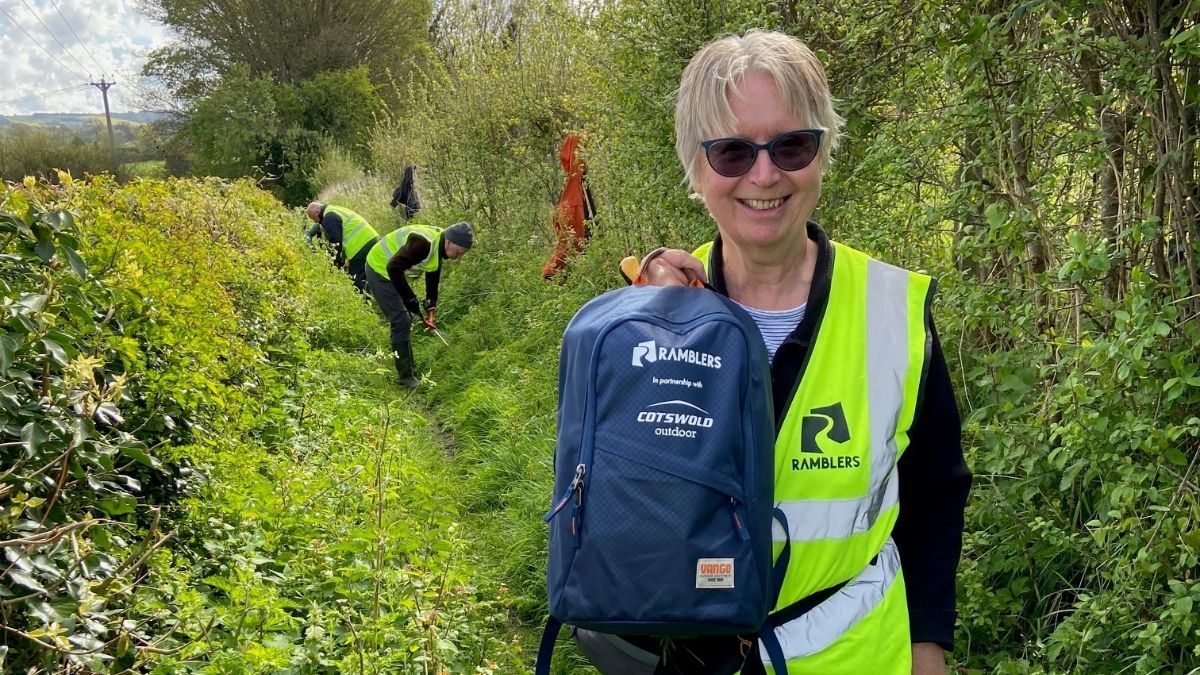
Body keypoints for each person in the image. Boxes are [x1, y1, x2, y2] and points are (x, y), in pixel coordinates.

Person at [574, 30, 971, 674]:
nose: (765, 174)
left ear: (822, 153)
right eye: (732, 152)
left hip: (855, 655)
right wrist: (646, 321)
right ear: (696, 168)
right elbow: (621, 513)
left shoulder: (894, 311)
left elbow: (933, 495)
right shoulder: (651, 317)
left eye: (791, 145)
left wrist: (927, 648)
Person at [363, 221, 473, 388]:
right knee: (401, 321)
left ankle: (410, 369)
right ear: (449, 242)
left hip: (391, 271)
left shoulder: (440, 243)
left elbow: (433, 273)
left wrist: (431, 307)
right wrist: (410, 300)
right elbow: (393, 267)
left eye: (462, 254)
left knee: (405, 320)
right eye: (458, 253)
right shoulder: (423, 244)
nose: (459, 257)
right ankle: (406, 378)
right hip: (379, 269)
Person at [541, 133, 596, 279]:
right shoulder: (574, 189)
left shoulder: (574, 184)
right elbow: (574, 236)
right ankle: (554, 272)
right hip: (571, 262)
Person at [305, 202, 380, 293]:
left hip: (360, 246)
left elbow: (335, 241)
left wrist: (334, 262)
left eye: (314, 219)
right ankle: (383, 293)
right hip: (371, 237)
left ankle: (371, 301)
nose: (316, 222)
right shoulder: (334, 208)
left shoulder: (328, 217)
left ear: (317, 213)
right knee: (375, 271)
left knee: (357, 281)